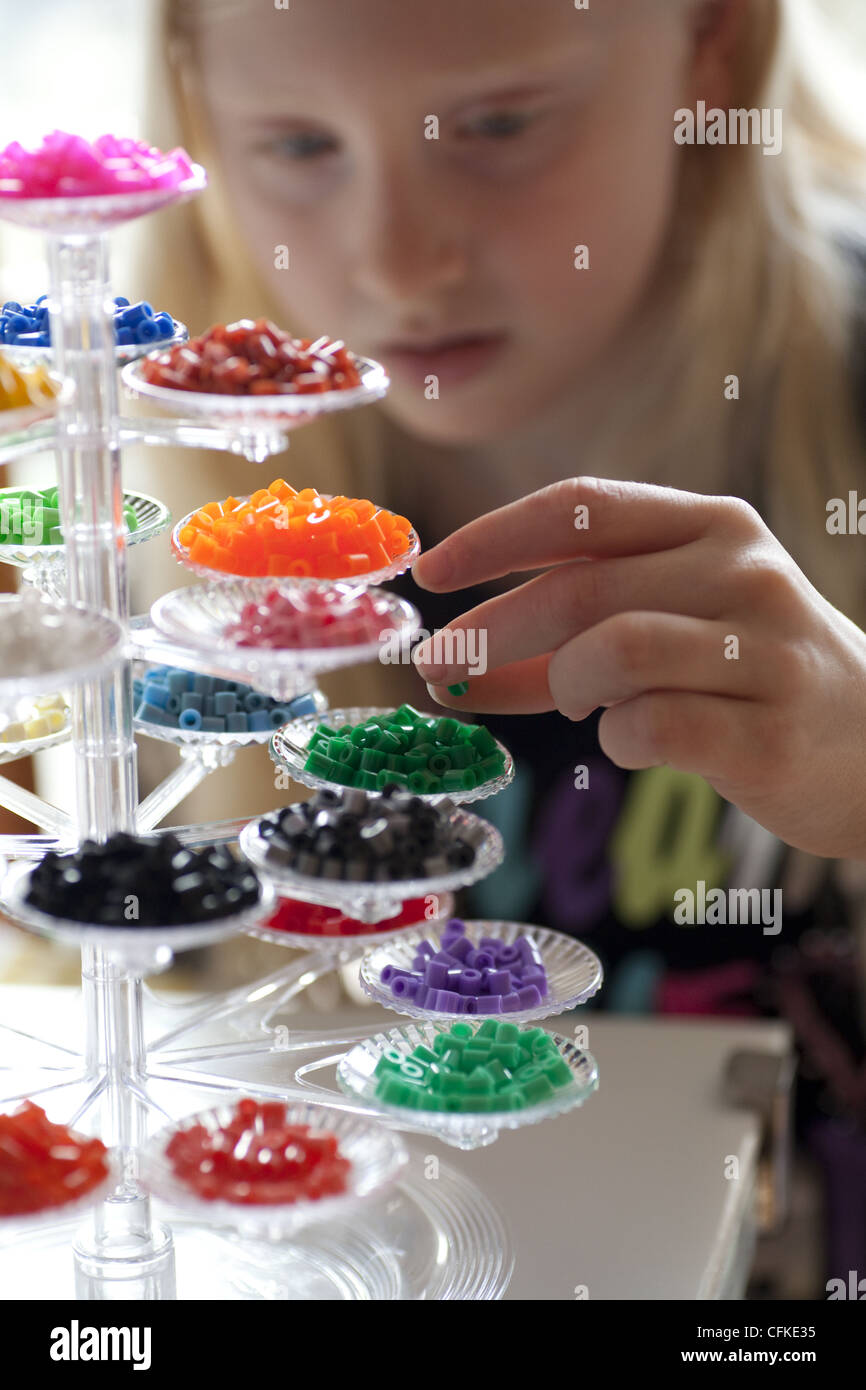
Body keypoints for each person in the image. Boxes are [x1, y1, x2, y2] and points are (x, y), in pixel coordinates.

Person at [138, 0, 866, 1287]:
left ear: (709, 45)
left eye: (497, 124)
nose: (397, 262)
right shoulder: (172, 520)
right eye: (299, 147)